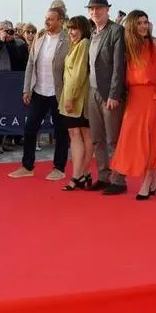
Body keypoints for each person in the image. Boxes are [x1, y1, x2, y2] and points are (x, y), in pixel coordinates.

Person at [108, 11, 156, 199]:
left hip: (151, 98)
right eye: (139, 23)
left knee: (149, 139)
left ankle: (147, 181)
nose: (144, 26)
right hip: (134, 99)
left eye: (146, 22)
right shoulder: (128, 47)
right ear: (131, 26)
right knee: (133, 140)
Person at [11, 7, 70, 180]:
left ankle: (59, 168)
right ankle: (27, 166)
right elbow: (31, 64)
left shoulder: (67, 40)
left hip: (58, 93)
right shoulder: (39, 38)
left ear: (60, 21)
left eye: (51, 19)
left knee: (60, 131)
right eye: (46, 18)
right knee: (30, 128)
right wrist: (27, 89)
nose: (46, 21)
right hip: (39, 91)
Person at [84, 0, 127, 192]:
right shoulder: (93, 33)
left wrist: (114, 94)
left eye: (99, 8)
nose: (95, 12)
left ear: (107, 9)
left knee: (113, 139)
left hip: (109, 93)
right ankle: (103, 176)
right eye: (92, 9)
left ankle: (118, 180)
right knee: (97, 138)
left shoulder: (116, 31)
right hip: (93, 91)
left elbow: (119, 66)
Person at [59, 16, 94, 191]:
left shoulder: (84, 44)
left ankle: (78, 174)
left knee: (83, 134)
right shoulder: (75, 45)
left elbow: (79, 73)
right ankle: (82, 173)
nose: (71, 32)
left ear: (83, 30)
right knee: (75, 134)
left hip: (78, 97)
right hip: (73, 95)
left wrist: (70, 98)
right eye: (70, 28)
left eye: (75, 29)